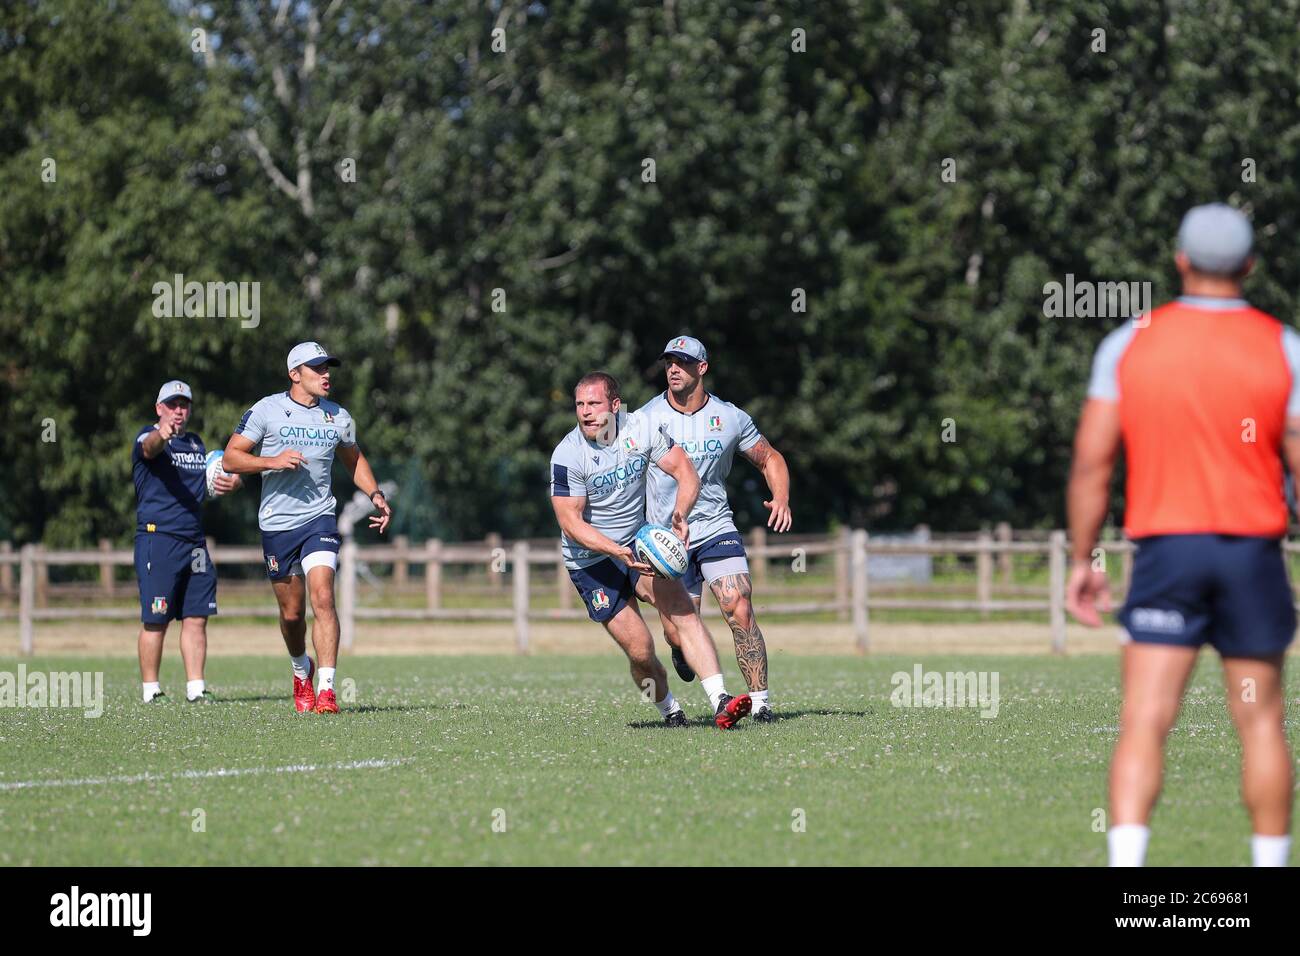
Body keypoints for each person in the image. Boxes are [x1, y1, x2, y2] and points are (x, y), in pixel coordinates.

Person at [1067, 203, 1295, 867]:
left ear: (1180, 262)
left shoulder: (1130, 342)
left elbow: (1091, 463)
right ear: (1250, 267)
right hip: (1252, 553)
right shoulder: (1283, 345)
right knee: (1260, 721)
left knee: (1145, 718)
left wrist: (1085, 557)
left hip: (1169, 552)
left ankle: (1130, 874)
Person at [549, 371, 752, 728]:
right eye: (580, 405)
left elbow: (686, 472)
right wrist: (615, 550)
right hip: (592, 561)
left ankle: (721, 700)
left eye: (594, 404)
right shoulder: (568, 455)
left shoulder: (639, 427)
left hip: (637, 543)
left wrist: (680, 515)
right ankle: (669, 710)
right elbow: (571, 524)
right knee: (641, 650)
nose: (585, 413)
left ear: (615, 405)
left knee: (683, 612)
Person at [223, 342, 391, 714]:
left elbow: (354, 458)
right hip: (277, 525)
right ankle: (301, 671)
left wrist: (375, 493)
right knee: (292, 614)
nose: (326, 374)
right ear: (295, 374)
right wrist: (273, 460)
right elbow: (232, 458)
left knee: (323, 598)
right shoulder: (266, 410)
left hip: (320, 519)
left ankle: (327, 691)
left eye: (328, 367)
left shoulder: (338, 417)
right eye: (317, 368)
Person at [636, 336, 792, 722]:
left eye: (682, 362)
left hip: (715, 526)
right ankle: (679, 646)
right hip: (666, 539)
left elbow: (769, 457)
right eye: (669, 361)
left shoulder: (730, 418)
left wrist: (782, 496)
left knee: (738, 605)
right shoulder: (646, 419)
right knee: (678, 629)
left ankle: (761, 704)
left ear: (701, 368)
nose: (673, 368)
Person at [132, 380, 241, 703]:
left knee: (196, 615)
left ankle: (196, 688)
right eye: (172, 404)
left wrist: (233, 483)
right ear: (159, 408)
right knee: (156, 617)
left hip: (194, 542)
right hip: (159, 539)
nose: (179, 411)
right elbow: (148, 448)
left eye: (184, 405)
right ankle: (151, 690)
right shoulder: (147, 436)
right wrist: (161, 434)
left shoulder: (195, 444)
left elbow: (222, 474)